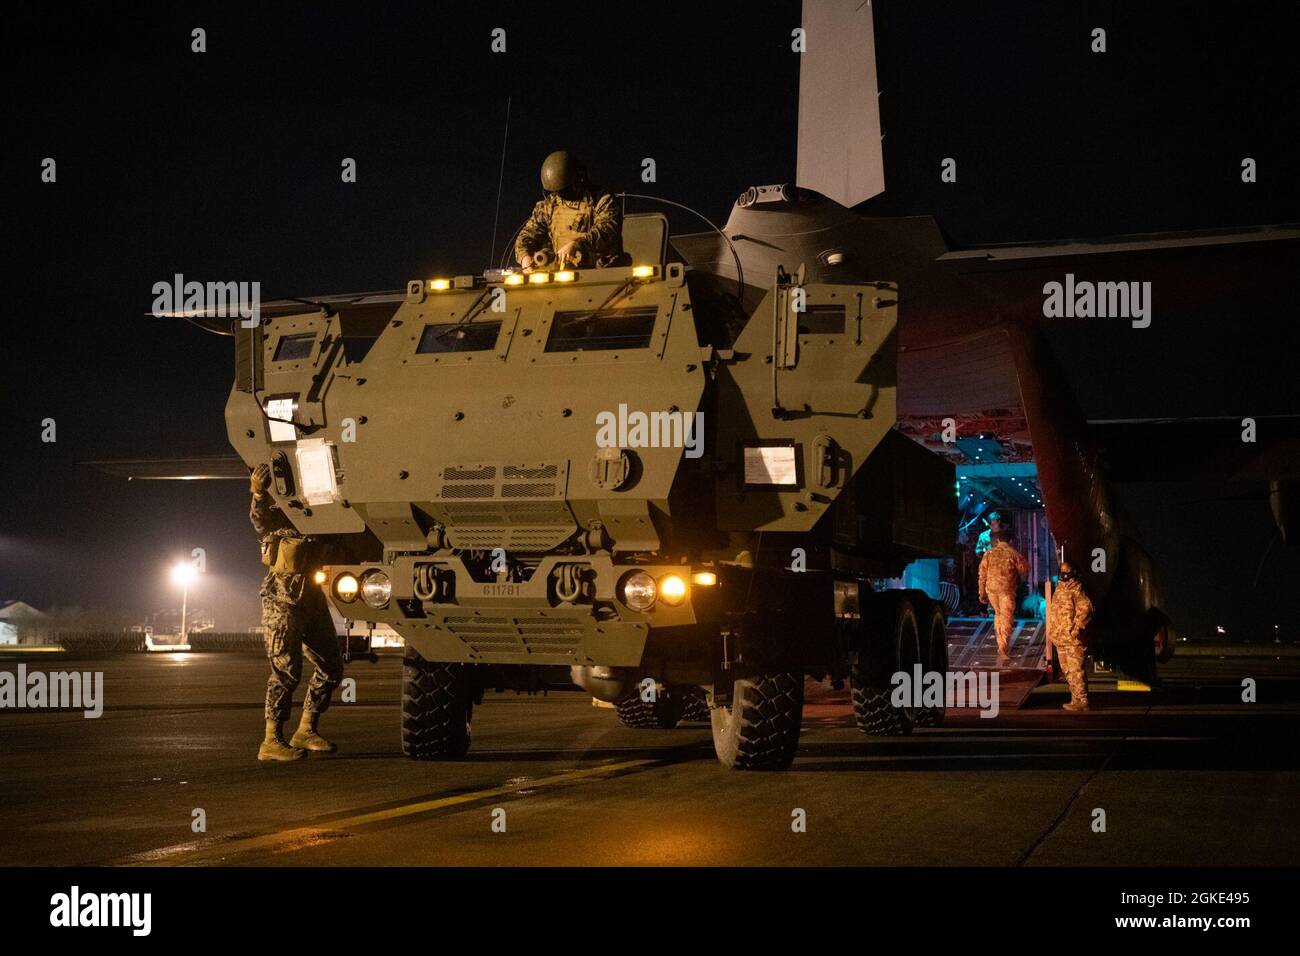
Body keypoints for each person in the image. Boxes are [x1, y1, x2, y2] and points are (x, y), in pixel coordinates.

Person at [249, 464, 345, 761]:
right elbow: (259, 520)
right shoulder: (278, 519)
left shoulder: (324, 519)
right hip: (282, 603)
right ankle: (271, 740)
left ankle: (305, 729)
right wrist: (257, 492)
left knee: (331, 666)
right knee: (286, 672)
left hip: (312, 602)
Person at [514, 150, 623, 271]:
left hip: (602, 274)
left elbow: (607, 230)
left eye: (565, 190)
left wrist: (578, 244)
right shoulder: (549, 206)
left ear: (578, 179)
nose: (561, 195)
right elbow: (527, 235)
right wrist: (524, 256)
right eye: (558, 192)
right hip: (566, 275)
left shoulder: (602, 200)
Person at [978, 527, 1029, 665]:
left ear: (998, 540)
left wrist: (982, 593)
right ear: (1010, 540)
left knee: (998, 614)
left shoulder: (988, 554)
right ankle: (1003, 647)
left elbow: (981, 575)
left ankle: (1001, 643)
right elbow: (1025, 570)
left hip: (991, 590)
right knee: (1006, 617)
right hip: (1006, 590)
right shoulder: (1013, 554)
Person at [1048, 560, 1094, 711]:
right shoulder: (1060, 588)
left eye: (1067, 572)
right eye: (1062, 572)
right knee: (1067, 670)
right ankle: (1075, 699)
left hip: (1073, 640)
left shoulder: (1077, 589)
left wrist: (1076, 629)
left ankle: (1082, 700)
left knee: (1076, 671)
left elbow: (1086, 609)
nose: (1064, 575)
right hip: (1061, 638)